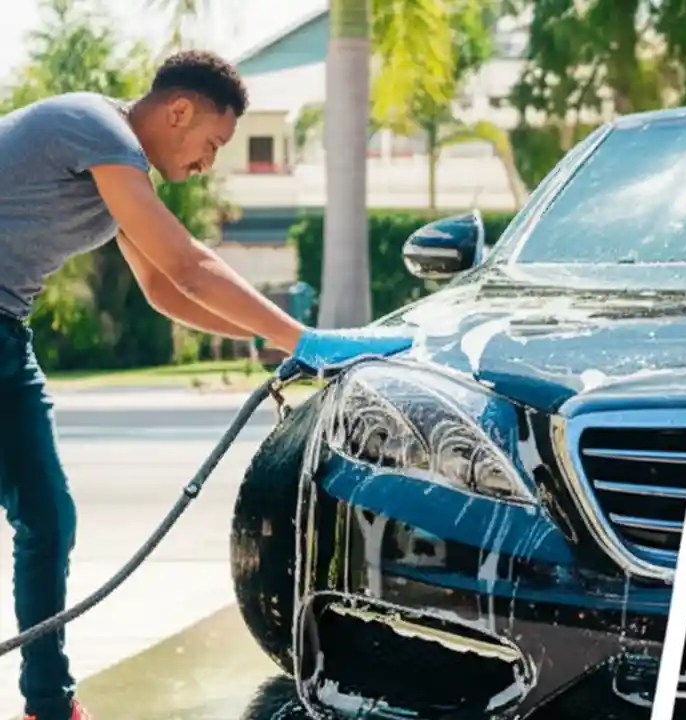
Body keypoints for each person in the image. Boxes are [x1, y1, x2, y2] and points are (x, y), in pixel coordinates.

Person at [0, 50, 410, 720]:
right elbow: (187, 265)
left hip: (4, 333)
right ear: (179, 110)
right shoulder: (94, 129)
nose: (208, 163)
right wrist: (302, 338)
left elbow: (163, 288)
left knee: (46, 516)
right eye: (213, 143)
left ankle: (48, 706)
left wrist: (271, 341)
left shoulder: (116, 168)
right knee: (43, 516)